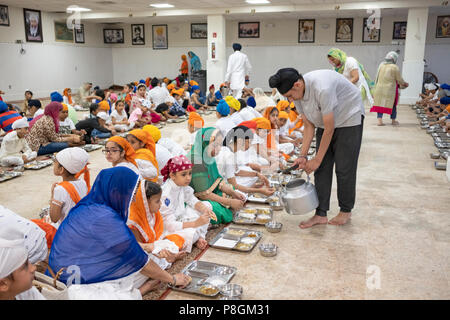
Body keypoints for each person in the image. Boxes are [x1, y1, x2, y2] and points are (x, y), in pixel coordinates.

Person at [48, 167, 191, 299]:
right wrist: (172, 279)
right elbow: (140, 262)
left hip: (74, 267)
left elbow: (125, 247)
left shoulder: (90, 206)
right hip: (75, 279)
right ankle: (143, 290)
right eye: (131, 194)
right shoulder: (104, 217)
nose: (133, 199)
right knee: (139, 270)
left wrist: (152, 250)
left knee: (151, 256)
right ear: (116, 192)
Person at [269, 67, 364, 228]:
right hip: (325, 123)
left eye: (290, 96)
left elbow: (329, 128)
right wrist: (303, 156)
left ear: (298, 85)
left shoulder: (322, 88)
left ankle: (345, 210)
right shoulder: (298, 96)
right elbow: (308, 126)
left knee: (344, 167)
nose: (290, 100)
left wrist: (317, 159)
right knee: (321, 169)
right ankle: (320, 213)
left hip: (349, 117)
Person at [160, 155, 217, 252]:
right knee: (187, 236)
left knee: (207, 205)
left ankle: (200, 237)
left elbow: (192, 200)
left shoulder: (182, 185)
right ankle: (196, 236)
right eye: (184, 174)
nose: (188, 178)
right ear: (172, 175)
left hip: (182, 219)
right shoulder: (166, 194)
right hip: (170, 229)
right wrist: (195, 223)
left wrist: (206, 210)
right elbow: (168, 225)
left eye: (190, 173)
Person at [188, 127, 246, 223]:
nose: (219, 149)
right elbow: (203, 195)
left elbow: (217, 181)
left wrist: (232, 193)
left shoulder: (208, 156)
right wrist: (230, 202)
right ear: (205, 144)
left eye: (220, 145)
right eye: (215, 145)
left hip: (209, 193)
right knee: (213, 208)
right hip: (196, 198)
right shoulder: (196, 161)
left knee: (232, 189)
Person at [128, 181, 187, 271]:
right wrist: (157, 249)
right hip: (143, 252)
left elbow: (158, 236)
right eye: (157, 201)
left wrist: (161, 246)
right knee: (149, 260)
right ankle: (170, 259)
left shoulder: (152, 214)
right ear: (145, 203)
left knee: (177, 239)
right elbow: (139, 249)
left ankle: (169, 257)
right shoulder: (132, 222)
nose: (160, 204)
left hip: (154, 246)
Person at [216, 126, 274, 197]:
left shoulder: (231, 151)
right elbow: (234, 185)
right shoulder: (229, 154)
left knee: (253, 176)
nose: (249, 146)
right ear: (240, 140)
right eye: (249, 142)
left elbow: (237, 172)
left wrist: (257, 174)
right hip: (220, 187)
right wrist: (260, 190)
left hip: (226, 181)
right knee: (242, 195)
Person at [47, 147, 90, 229]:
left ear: (61, 169)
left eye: (55, 162)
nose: (53, 164)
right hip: (80, 224)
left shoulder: (59, 189)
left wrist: (53, 196)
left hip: (67, 230)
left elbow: (54, 218)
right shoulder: (82, 182)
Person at [370, 51, 409, 126]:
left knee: (380, 105)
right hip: (389, 90)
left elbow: (376, 78)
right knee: (393, 104)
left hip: (379, 88)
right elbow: (399, 79)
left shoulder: (381, 65)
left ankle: (379, 121)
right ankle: (393, 121)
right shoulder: (394, 67)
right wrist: (404, 84)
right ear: (394, 59)